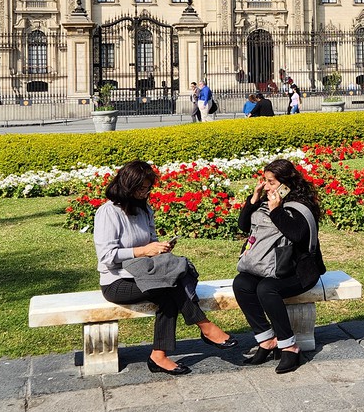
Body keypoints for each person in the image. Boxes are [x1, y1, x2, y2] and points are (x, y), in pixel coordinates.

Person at [93, 161, 236, 375]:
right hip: (117, 281)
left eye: (148, 188)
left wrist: (160, 248)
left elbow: (151, 242)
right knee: (169, 289)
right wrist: (143, 250)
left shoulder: (144, 210)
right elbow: (106, 257)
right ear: (128, 186)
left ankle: (159, 356)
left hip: (145, 274)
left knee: (169, 290)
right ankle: (205, 327)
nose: (146, 193)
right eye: (142, 188)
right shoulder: (108, 213)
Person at [234, 159, 326, 375]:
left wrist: (277, 212)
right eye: (264, 181)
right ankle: (266, 341)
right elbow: (243, 226)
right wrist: (253, 200)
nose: (266, 187)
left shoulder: (302, 206)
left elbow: (297, 235)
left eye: (271, 182)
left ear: (286, 184)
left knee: (267, 288)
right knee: (241, 284)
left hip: (301, 272)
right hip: (272, 266)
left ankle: (290, 347)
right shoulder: (268, 201)